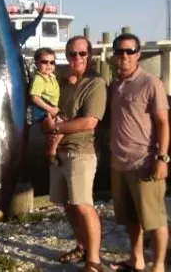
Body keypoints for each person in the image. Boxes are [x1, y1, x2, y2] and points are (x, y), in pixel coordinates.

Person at [43, 36, 107, 272]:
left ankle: (94, 261)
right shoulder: (62, 82)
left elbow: (89, 121)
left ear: (89, 55)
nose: (76, 58)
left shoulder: (96, 83)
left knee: (82, 204)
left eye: (82, 53)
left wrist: (56, 128)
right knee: (67, 204)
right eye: (72, 54)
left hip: (80, 152)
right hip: (59, 152)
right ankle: (81, 246)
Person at [108, 33, 169, 272]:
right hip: (118, 164)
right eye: (120, 51)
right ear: (114, 55)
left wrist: (162, 158)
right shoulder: (114, 86)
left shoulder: (151, 82)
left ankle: (159, 265)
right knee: (130, 218)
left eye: (129, 51)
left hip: (144, 162)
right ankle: (136, 259)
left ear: (138, 54)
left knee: (155, 219)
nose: (124, 56)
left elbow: (163, 123)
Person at [29, 47, 64, 164]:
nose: (48, 65)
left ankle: (53, 147)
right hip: (43, 111)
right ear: (37, 64)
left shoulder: (52, 77)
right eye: (44, 62)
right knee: (55, 126)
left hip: (53, 109)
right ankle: (52, 151)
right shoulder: (39, 79)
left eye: (52, 62)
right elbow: (34, 97)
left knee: (62, 126)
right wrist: (50, 109)